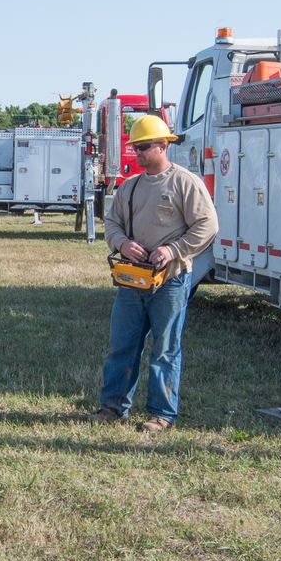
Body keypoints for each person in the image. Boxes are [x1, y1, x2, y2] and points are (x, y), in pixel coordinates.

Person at [90, 115, 216, 434]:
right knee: (122, 345)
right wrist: (123, 243)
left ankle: (161, 414)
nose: (138, 154)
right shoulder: (130, 187)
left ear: (163, 146)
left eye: (144, 147)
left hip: (170, 281)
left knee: (165, 348)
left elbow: (208, 226)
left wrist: (172, 251)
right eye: (136, 148)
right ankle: (113, 407)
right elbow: (113, 223)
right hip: (132, 281)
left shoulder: (185, 183)